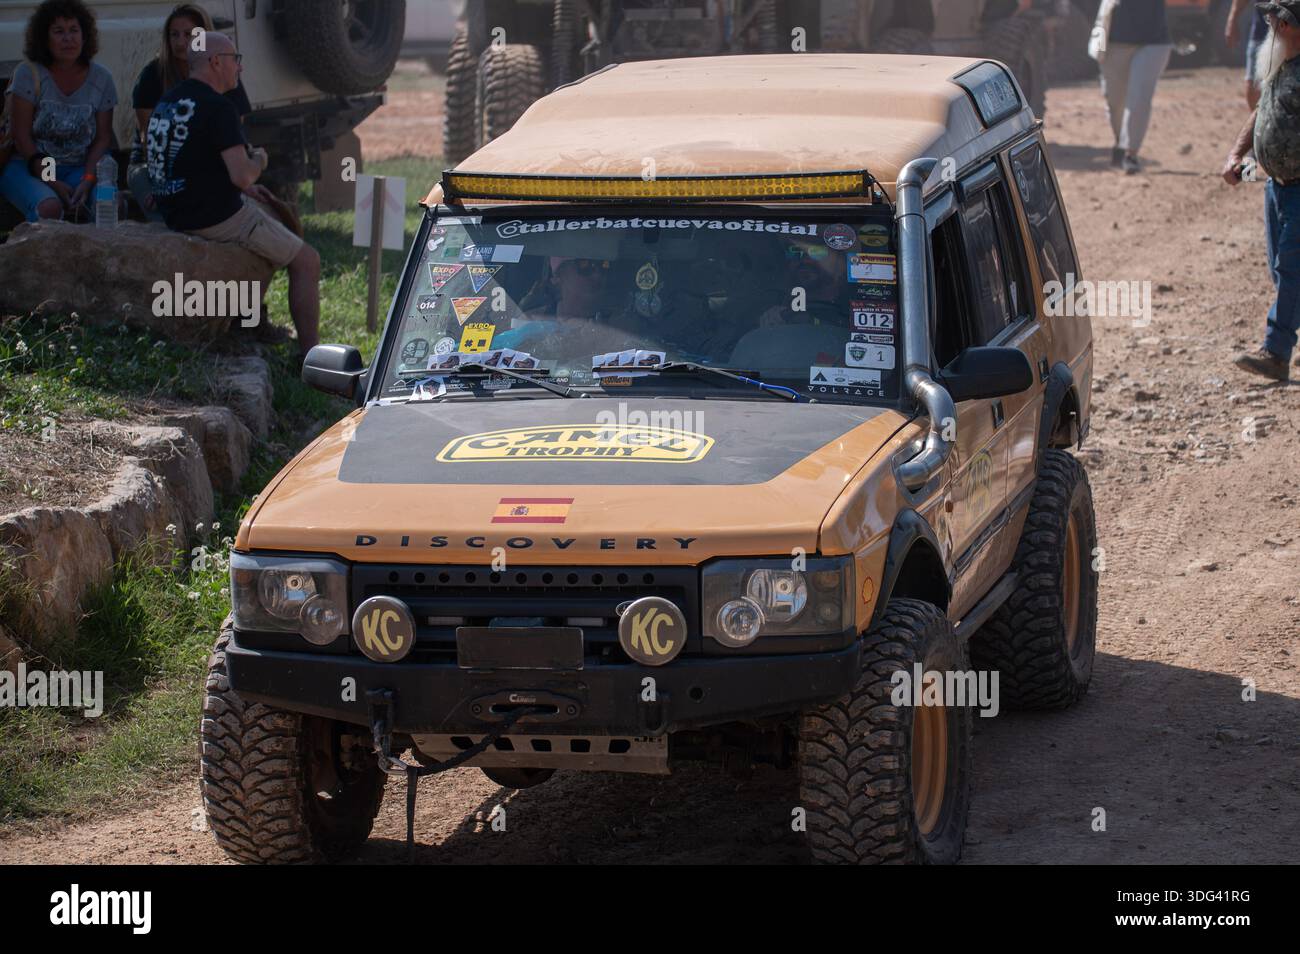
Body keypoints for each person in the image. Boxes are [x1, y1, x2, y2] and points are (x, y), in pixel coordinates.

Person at [148, 32, 320, 355]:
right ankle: (312, 357)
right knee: (308, 261)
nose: (239, 68)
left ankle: (256, 319)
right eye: (235, 60)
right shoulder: (218, 108)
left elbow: (182, 160)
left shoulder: (169, 100)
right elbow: (242, 176)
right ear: (215, 62)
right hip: (212, 217)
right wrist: (260, 159)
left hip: (173, 210)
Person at [1224, 1, 1300, 382]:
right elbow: (1261, 113)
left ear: (1287, 25)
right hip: (1275, 184)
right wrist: (1238, 156)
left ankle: (1276, 351)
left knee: (1291, 270)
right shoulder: (1280, 62)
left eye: (1273, 19)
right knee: (1280, 270)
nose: (1267, 24)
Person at [129, 3, 252, 221]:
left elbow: (234, 138)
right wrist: (162, 188)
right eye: (174, 35)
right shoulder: (152, 76)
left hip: (206, 167)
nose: (180, 42)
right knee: (165, 215)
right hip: (152, 167)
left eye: (189, 34)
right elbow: (149, 141)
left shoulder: (226, 75)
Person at [0, 0, 115, 223]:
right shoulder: (28, 73)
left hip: (83, 167)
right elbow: (22, 138)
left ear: (85, 36)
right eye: (59, 31)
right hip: (29, 167)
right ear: (45, 38)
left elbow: (103, 139)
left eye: (74, 30)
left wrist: (88, 179)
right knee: (49, 208)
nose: (68, 38)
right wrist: (52, 181)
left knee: (110, 204)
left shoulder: (102, 78)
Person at [1099, 0, 1173, 175]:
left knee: (1139, 97)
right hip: (1111, 40)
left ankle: (1130, 153)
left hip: (1154, 41)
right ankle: (1120, 141)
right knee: (1114, 101)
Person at [1230, 0, 1272, 108]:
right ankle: (1259, 123)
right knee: (1253, 88)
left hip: (1292, 35)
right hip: (1261, 32)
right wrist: (1232, 19)